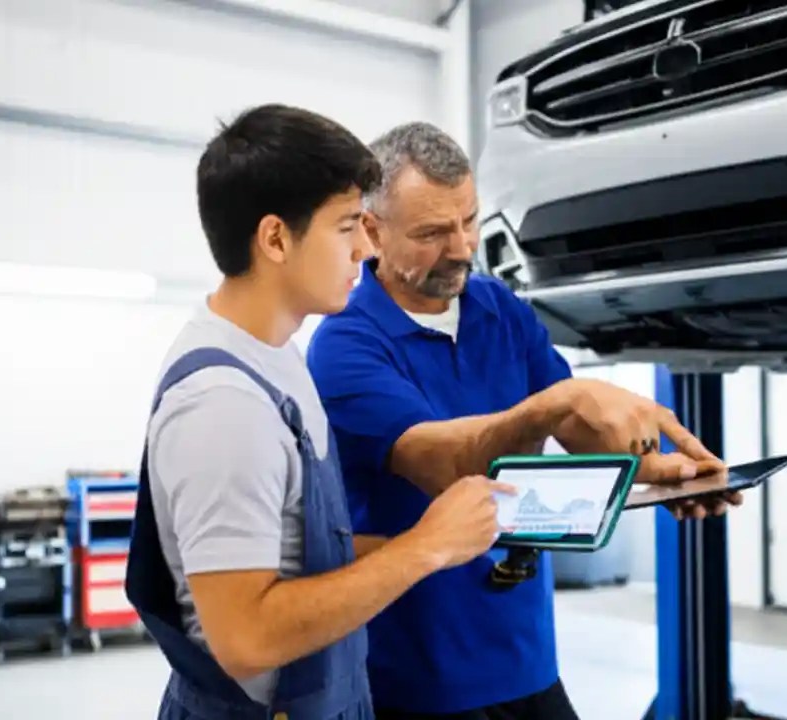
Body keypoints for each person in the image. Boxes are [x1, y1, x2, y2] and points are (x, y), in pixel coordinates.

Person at [306, 122, 741, 719]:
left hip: (528, 659)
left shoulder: (498, 308)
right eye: (433, 232)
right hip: (418, 680)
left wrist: (653, 471)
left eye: (469, 221)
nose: (460, 248)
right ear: (373, 231)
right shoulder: (345, 344)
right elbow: (443, 463)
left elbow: (574, 422)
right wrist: (555, 404)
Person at [124, 106, 516, 720]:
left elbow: (296, 553)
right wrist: (423, 549)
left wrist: (438, 544)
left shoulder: (278, 359)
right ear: (276, 238)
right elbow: (246, 639)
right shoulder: (224, 406)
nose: (365, 246)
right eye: (345, 227)